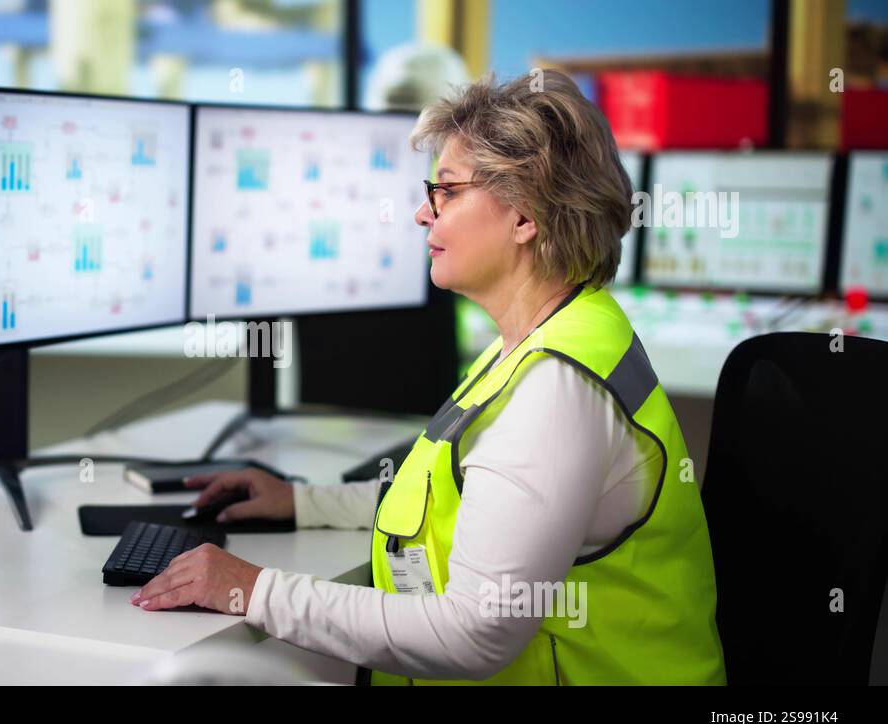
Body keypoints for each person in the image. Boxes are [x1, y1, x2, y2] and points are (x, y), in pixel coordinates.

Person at [130, 69, 727, 686]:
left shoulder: (555, 388)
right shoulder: (547, 334)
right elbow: (461, 497)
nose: (421, 213)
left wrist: (252, 591)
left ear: (525, 215)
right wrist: (306, 502)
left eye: (445, 191)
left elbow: (471, 635)